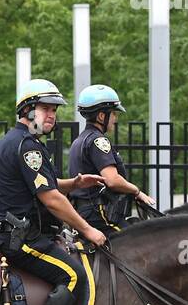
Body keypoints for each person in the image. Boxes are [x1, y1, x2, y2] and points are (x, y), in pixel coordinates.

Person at [0, 78, 108, 305]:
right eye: (45, 109)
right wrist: (88, 230)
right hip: (17, 238)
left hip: (12, 230)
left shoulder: (21, 142)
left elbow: (49, 186)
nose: (52, 115)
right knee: (73, 275)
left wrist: (76, 183)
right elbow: (51, 199)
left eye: (54, 110)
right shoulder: (28, 146)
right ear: (27, 110)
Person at [67, 84, 156, 234]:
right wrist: (137, 191)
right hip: (99, 214)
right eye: (114, 114)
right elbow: (112, 180)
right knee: (139, 241)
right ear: (102, 116)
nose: (115, 118)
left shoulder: (80, 140)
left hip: (83, 211)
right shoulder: (98, 141)